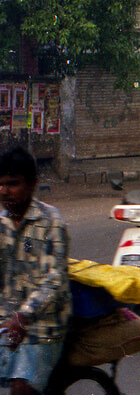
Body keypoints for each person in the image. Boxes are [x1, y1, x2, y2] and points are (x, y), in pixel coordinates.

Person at [0, 147, 70, 395]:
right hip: (6, 322)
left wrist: (24, 315)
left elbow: (55, 278)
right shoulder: (2, 222)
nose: (4, 191)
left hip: (42, 325)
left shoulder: (51, 221)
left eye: (12, 184)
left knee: (22, 387)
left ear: (32, 184)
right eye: (0, 184)